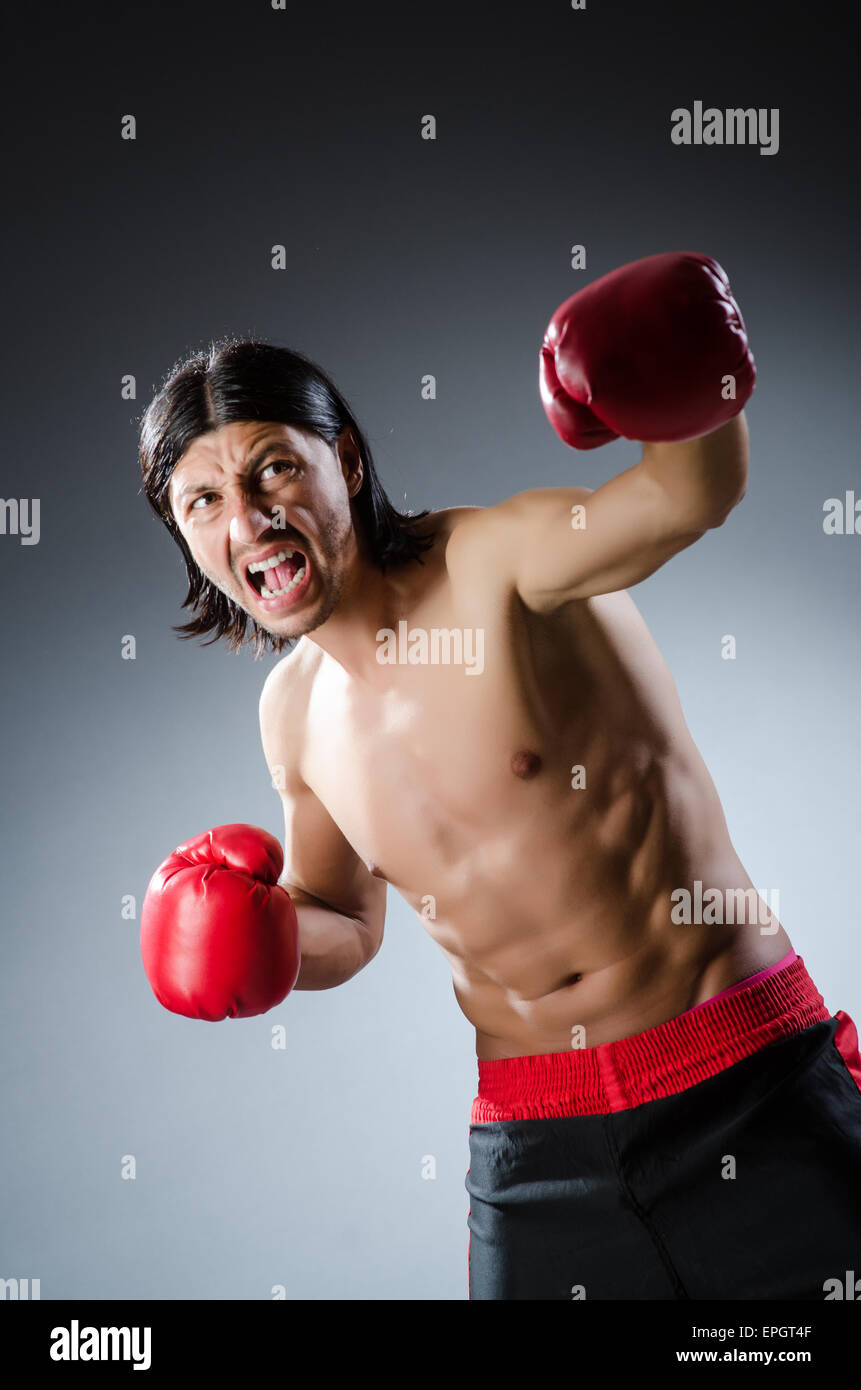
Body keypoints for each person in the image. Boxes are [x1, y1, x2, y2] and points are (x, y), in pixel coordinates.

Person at [138, 251, 861, 1299]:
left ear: (344, 456)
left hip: (740, 1078)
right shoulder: (291, 715)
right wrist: (273, 940)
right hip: (536, 1146)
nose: (246, 520)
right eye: (201, 500)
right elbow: (345, 914)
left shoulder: (501, 562)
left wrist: (684, 375)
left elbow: (686, 497)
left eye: (273, 470)